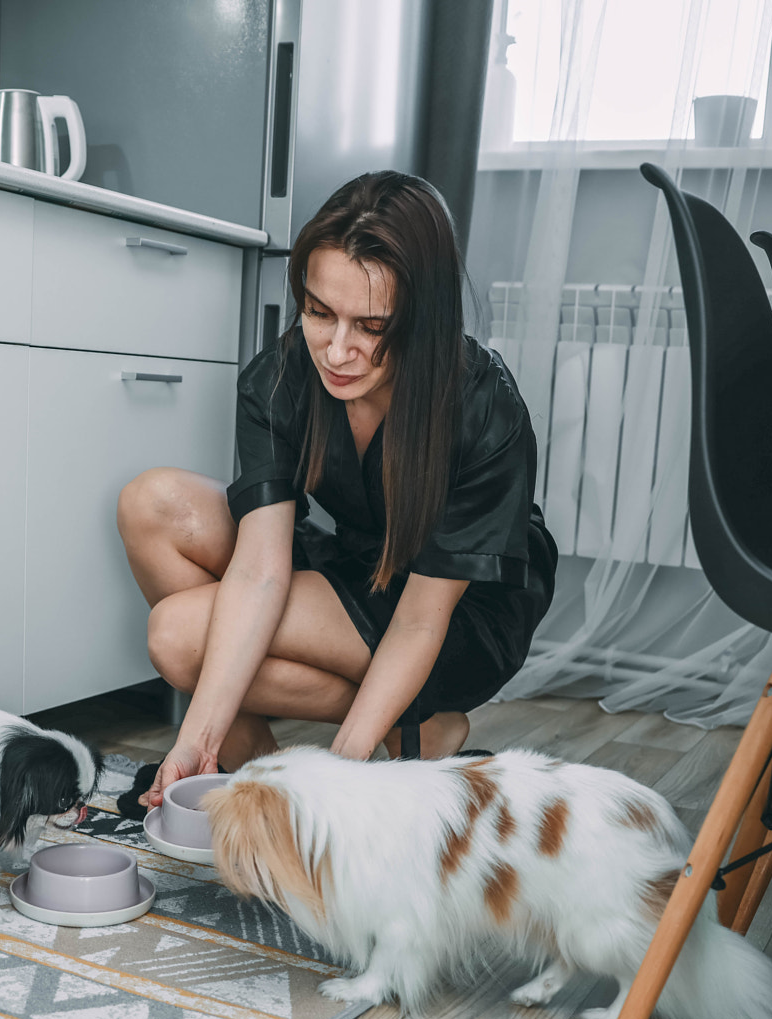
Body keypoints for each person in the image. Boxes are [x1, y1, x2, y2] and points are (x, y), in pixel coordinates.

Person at [115, 171, 557, 814]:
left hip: (461, 613)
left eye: (372, 326)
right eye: (320, 312)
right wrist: (192, 743)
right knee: (150, 503)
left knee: (179, 637)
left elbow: (419, 619)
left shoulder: (482, 408)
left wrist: (340, 790)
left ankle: (405, 728)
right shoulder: (283, 376)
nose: (338, 351)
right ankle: (257, 769)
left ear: (421, 320)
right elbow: (260, 571)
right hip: (362, 563)